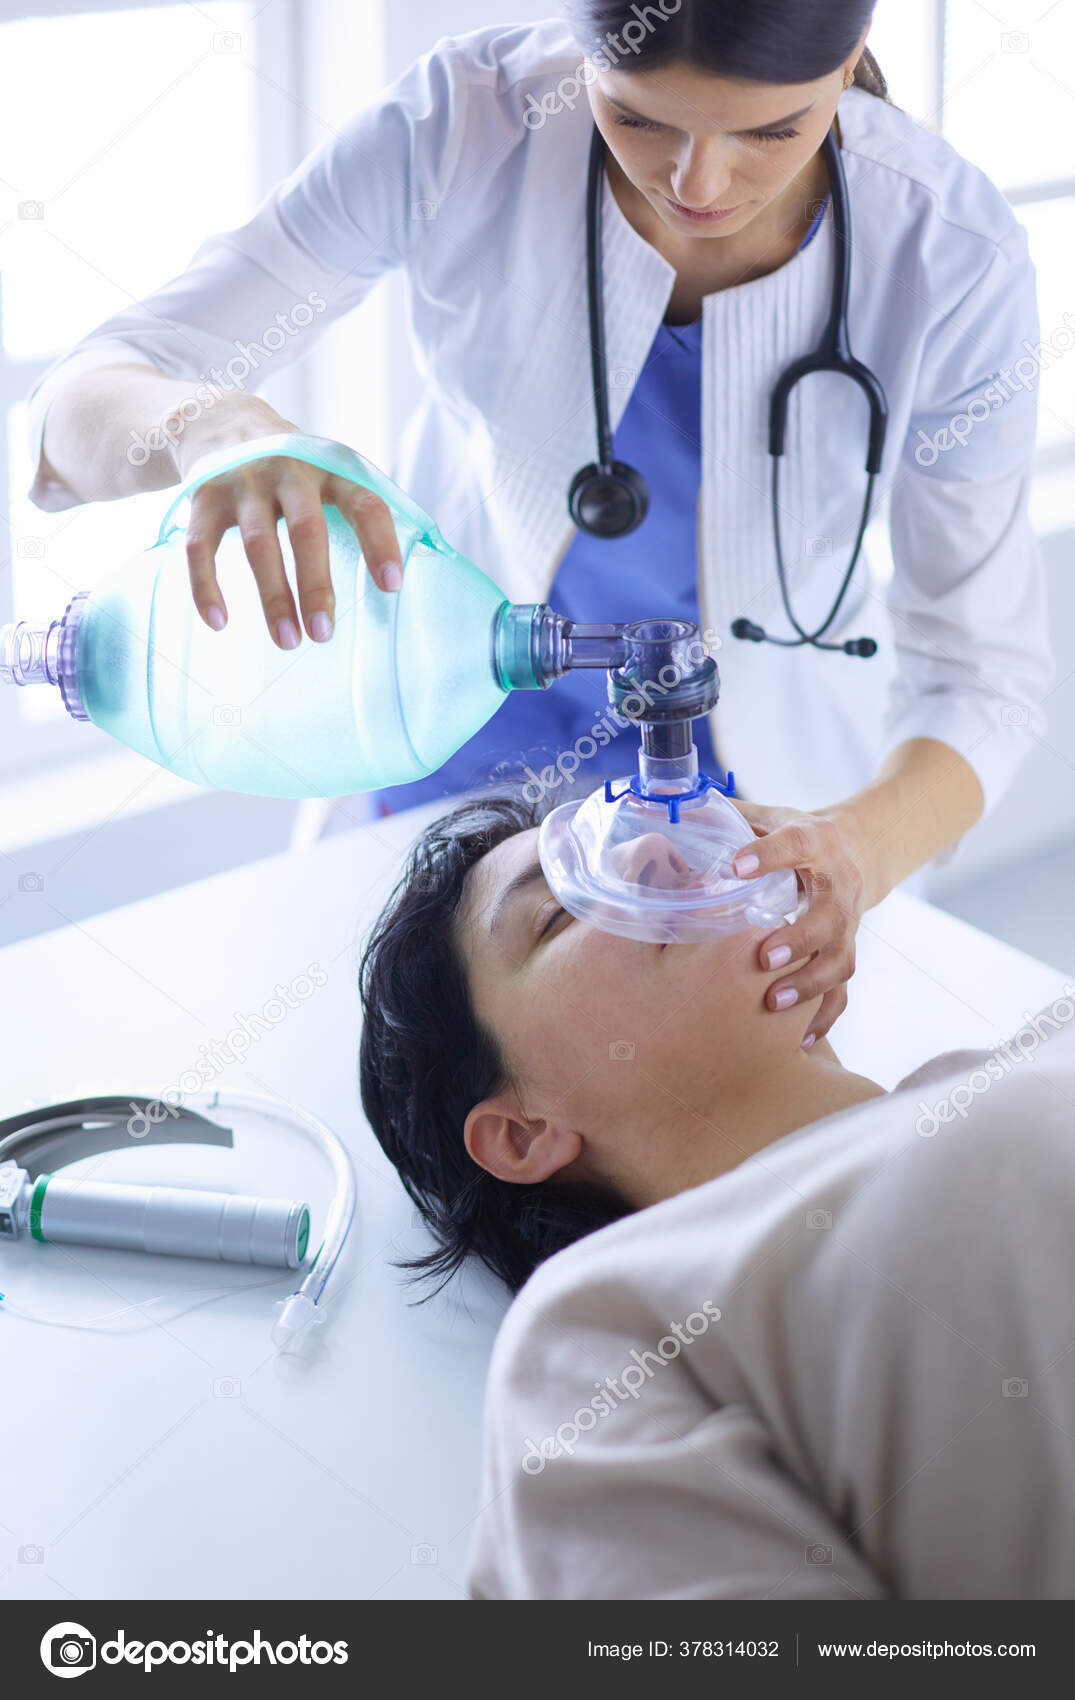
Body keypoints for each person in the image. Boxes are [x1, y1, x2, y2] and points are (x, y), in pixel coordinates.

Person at [26, 4, 1051, 1046]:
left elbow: (982, 678)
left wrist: (857, 851)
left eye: (769, 133)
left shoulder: (949, 251)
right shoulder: (466, 125)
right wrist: (224, 430)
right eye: (637, 117)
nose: (697, 186)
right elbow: (77, 409)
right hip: (443, 747)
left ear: (844, 69)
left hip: (758, 825)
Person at [358, 791, 1075, 1599]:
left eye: (637, 837)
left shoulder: (1031, 1049)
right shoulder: (605, 1336)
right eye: (558, 913)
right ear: (523, 1134)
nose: (657, 855)